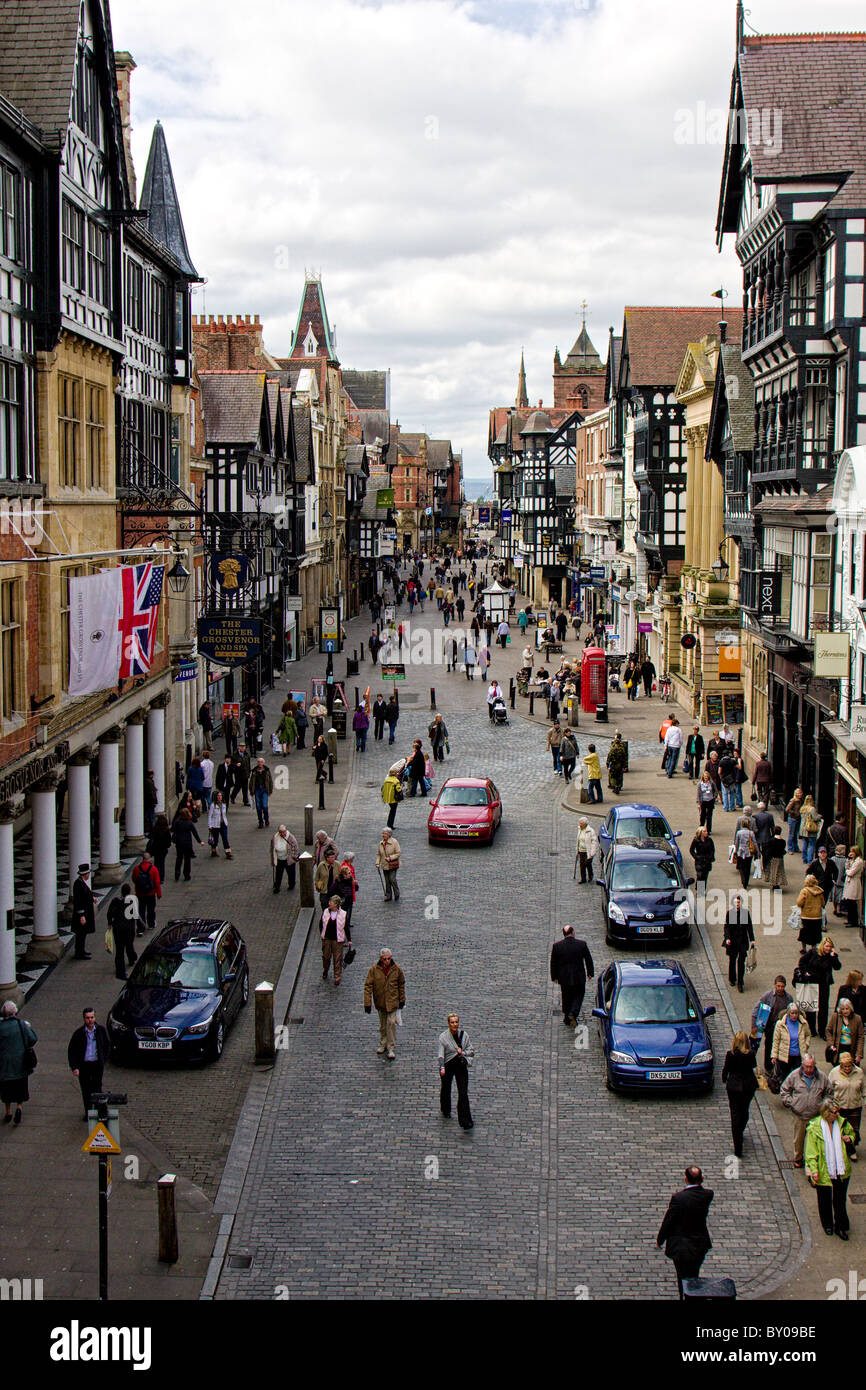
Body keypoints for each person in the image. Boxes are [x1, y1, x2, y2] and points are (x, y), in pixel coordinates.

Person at [656, 1166, 714, 1300]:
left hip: (681, 1246)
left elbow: (669, 1221)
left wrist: (660, 1240)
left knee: (682, 1276)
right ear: (702, 1179)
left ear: (686, 1179)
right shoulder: (708, 1195)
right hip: (700, 1244)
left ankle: (686, 1296)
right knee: (694, 1274)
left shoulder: (678, 1198)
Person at [805, 1099, 856, 1238]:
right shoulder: (814, 1127)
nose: (837, 1114)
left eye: (838, 1111)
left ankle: (840, 1226)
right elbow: (811, 1152)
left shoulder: (842, 1123)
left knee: (840, 1199)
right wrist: (814, 1171)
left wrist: (849, 1138)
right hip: (824, 1168)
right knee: (824, 1198)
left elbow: (852, 1134)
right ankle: (827, 1224)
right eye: (835, 1112)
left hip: (841, 1168)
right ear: (826, 1113)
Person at [781, 1054, 831, 1167]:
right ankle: (798, 1159)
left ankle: (812, 1162)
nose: (808, 1069)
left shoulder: (822, 1077)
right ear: (802, 1065)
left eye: (811, 1067)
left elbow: (829, 1093)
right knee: (798, 1140)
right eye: (806, 1067)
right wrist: (791, 1103)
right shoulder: (794, 1076)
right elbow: (784, 1090)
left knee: (814, 1141)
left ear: (815, 1066)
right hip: (800, 1115)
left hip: (816, 1116)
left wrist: (824, 1105)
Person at [67, 1007, 110, 1121]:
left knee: (97, 1088)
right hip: (84, 1065)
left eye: (92, 1017)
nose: (90, 1020)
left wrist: (103, 1059)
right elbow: (72, 1051)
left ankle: (99, 1111)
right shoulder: (79, 1033)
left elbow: (107, 1045)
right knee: (86, 1090)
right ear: (84, 1019)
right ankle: (88, 1112)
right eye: (87, 1018)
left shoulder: (100, 1030)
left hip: (96, 1064)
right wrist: (74, 1067)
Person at [364, 948, 406, 1060]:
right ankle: (383, 1043)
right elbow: (368, 986)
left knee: (391, 1023)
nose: (387, 961)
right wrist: (367, 1003)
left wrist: (402, 1000)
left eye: (388, 959)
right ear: (381, 959)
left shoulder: (397, 970)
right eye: (384, 959)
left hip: (393, 1001)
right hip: (381, 1002)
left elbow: (401, 984)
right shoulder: (374, 970)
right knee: (383, 1025)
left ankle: (391, 1047)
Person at [722, 1031, 759, 1158]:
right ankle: (740, 1131)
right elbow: (753, 1066)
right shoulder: (750, 1055)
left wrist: (724, 1079)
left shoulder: (730, 1055)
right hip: (748, 1087)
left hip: (734, 1087)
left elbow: (726, 1069)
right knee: (744, 1111)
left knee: (735, 1114)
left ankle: (737, 1143)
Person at [0, 1000, 37, 1125]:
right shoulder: (21, 1025)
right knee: (21, 1086)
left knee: (6, 1089)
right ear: (15, 1011)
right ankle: (19, 1107)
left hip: (5, 1065)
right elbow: (33, 1039)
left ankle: (8, 1111)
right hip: (21, 1063)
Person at [550, 924, 594, 1026]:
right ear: (573, 932)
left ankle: (566, 1017)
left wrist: (554, 976)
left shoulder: (557, 946)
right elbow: (588, 959)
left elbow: (553, 963)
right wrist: (590, 972)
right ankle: (573, 1012)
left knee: (566, 996)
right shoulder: (581, 944)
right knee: (579, 995)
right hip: (578, 976)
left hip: (564, 977)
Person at [800, 937, 843, 1039]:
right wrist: (805, 973)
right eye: (827, 946)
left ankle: (822, 1031)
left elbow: (837, 967)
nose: (828, 948)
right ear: (822, 945)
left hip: (824, 984)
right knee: (811, 1007)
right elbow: (802, 962)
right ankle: (812, 1029)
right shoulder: (813, 952)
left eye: (830, 946)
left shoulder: (831, 956)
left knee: (823, 1008)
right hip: (812, 983)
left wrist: (834, 957)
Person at [438, 1013, 474, 1129]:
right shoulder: (443, 1037)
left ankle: (465, 1120)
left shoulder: (464, 1036)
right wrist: (442, 1067)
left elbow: (471, 1051)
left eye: (456, 1022)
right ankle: (446, 1108)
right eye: (452, 1022)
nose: (455, 1024)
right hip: (448, 1065)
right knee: (446, 1087)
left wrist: (462, 1053)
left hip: (460, 1065)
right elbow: (441, 1054)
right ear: (448, 1024)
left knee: (463, 1092)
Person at [752, 976, 793, 1074]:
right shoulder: (768, 996)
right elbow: (756, 1009)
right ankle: (768, 1067)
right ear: (775, 985)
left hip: (782, 1026)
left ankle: (780, 1067)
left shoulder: (788, 998)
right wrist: (754, 1025)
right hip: (770, 1025)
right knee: (769, 1045)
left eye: (782, 986)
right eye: (778, 986)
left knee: (781, 1046)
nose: (780, 988)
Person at [828, 1053, 864, 1161]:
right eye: (844, 1066)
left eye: (849, 1066)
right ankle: (839, 1151)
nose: (847, 1069)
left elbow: (863, 1088)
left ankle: (851, 1150)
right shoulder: (834, 1073)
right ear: (840, 1065)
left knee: (853, 1131)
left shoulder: (859, 1072)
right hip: (840, 1107)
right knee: (839, 1130)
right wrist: (831, 1105)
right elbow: (829, 1091)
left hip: (855, 1106)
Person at [770, 1002, 811, 1085]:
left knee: (798, 1076)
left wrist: (806, 1045)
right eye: (792, 1013)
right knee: (785, 1076)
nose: (794, 1015)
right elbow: (776, 1040)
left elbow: (808, 1035)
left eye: (796, 1013)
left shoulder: (803, 1023)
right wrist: (774, 1056)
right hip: (784, 1056)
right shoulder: (780, 1024)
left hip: (798, 1055)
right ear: (788, 1013)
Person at [107, 883, 139, 980]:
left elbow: (109, 913)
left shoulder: (115, 901)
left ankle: (120, 971)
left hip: (118, 929)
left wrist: (110, 923)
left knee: (119, 950)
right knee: (129, 945)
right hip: (129, 928)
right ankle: (132, 958)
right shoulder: (132, 901)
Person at [723, 894, 754, 993]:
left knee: (741, 962)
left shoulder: (745, 913)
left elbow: (749, 927)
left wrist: (752, 939)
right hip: (732, 941)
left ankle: (740, 982)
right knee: (732, 960)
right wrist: (727, 938)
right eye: (736, 902)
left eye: (739, 902)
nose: (737, 904)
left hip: (742, 941)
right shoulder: (730, 913)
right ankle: (732, 978)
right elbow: (727, 927)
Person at [825, 999, 864, 1071]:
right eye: (843, 1009)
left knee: (851, 1070)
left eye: (847, 1008)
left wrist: (859, 1054)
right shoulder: (835, 1017)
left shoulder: (857, 1018)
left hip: (851, 1049)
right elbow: (828, 1030)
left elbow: (861, 1037)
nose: (845, 1011)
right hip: (839, 1048)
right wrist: (831, 1044)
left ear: (850, 1008)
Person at [321, 894, 350, 987]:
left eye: (331, 902)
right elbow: (320, 924)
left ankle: (337, 976)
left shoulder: (343, 914)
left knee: (337, 959)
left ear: (336, 904)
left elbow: (346, 927)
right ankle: (325, 969)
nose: (329, 903)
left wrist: (349, 939)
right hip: (327, 939)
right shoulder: (326, 911)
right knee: (326, 957)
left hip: (338, 940)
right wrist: (322, 934)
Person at [131, 850, 162, 933]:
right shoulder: (153, 869)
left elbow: (134, 879)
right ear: (149, 859)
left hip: (140, 893)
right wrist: (159, 893)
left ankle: (141, 928)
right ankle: (151, 924)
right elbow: (157, 882)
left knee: (141, 910)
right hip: (151, 893)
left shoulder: (136, 869)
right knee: (151, 909)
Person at [71, 862, 96, 960]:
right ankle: (79, 953)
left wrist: (92, 898)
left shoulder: (81, 883)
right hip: (82, 914)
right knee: (81, 934)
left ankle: (81, 951)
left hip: (85, 913)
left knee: (83, 933)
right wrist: (81, 915)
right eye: (88, 873)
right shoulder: (78, 884)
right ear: (85, 874)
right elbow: (78, 901)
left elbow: (85, 896)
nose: (89, 875)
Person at [171, 807, 202, 881]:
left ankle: (177, 873)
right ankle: (186, 874)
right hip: (187, 843)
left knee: (179, 858)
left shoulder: (177, 822)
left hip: (179, 843)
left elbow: (173, 830)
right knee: (187, 860)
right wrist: (200, 841)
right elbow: (195, 833)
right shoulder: (189, 823)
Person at [797, 874, 826, 949]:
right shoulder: (819, 891)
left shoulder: (804, 891)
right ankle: (813, 947)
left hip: (806, 915)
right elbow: (823, 904)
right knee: (815, 933)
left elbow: (799, 903)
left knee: (804, 933)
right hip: (817, 916)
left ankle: (804, 948)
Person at [271, 824, 299, 893]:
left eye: (284, 832)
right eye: (281, 832)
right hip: (279, 859)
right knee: (278, 874)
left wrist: (294, 856)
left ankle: (291, 885)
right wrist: (273, 859)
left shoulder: (291, 837)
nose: (283, 833)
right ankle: (277, 887)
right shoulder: (275, 837)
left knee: (291, 873)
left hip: (288, 859)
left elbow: (295, 847)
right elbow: (272, 848)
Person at [842, 847, 864, 931]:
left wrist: (847, 871)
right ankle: (850, 919)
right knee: (849, 902)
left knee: (852, 902)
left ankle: (853, 921)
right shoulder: (853, 860)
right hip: (850, 882)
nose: (851, 853)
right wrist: (848, 860)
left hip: (854, 882)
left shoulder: (859, 862)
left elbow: (850, 873)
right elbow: (847, 867)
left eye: (852, 852)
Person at [733, 818, 758, 890]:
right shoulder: (751, 833)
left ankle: (743, 879)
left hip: (740, 852)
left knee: (741, 866)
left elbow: (736, 843)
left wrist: (735, 851)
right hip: (749, 852)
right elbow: (755, 843)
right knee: (748, 866)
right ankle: (746, 881)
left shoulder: (739, 833)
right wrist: (757, 852)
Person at [147, 813, 172, 885]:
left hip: (156, 849)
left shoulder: (155, 829)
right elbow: (169, 842)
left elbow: (150, 837)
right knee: (162, 863)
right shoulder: (166, 830)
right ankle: (161, 878)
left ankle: (156, 876)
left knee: (156, 863)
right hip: (163, 850)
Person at [377, 828, 401, 901]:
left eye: (385, 834)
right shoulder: (381, 843)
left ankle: (396, 893)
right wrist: (377, 863)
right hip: (385, 865)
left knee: (392, 879)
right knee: (387, 881)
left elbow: (398, 853)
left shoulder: (394, 842)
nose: (383, 835)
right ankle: (388, 895)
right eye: (383, 833)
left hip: (393, 864)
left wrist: (390, 858)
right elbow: (379, 854)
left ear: (389, 835)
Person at [752, 802, 775, 873]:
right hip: (767, 837)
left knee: (756, 853)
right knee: (766, 854)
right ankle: (765, 867)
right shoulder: (770, 816)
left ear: (758, 808)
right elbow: (772, 827)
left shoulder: (755, 817)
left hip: (757, 837)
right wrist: (772, 836)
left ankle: (757, 867)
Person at [689, 827, 715, 891]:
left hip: (707, 860)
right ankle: (699, 890)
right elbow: (691, 850)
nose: (706, 832)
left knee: (705, 876)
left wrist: (711, 857)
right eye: (704, 831)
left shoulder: (709, 840)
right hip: (699, 861)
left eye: (706, 831)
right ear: (701, 833)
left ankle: (702, 890)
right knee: (700, 875)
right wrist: (696, 857)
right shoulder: (696, 840)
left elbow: (712, 849)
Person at [207, 791, 231, 858]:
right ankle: (214, 851)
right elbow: (210, 816)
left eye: (220, 796)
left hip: (223, 824)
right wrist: (210, 825)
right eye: (218, 796)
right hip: (215, 825)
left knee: (225, 838)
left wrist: (226, 822)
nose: (219, 797)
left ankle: (228, 852)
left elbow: (224, 814)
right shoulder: (212, 805)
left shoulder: (224, 804)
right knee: (216, 839)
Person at [381, 761, 404, 830]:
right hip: (393, 798)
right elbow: (399, 789)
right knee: (393, 811)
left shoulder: (386, 780)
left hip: (387, 798)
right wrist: (401, 786)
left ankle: (389, 823)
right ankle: (390, 824)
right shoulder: (396, 781)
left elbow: (382, 789)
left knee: (391, 810)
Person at [799, 795, 821, 865]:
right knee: (811, 845)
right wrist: (819, 816)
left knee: (805, 843)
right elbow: (815, 818)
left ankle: (804, 858)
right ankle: (810, 860)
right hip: (810, 828)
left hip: (803, 828)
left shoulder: (802, 808)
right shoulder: (812, 809)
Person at [765, 825, 788, 890]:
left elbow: (769, 850)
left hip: (773, 858)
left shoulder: (772, 840)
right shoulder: (783, 841)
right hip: (780, 858)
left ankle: (775, 885)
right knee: (779, 871)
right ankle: (777, 884)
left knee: (774, 871)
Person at [694, 769, 717, 834]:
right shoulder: (700, 784)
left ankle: (709, 829)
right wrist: (699, 803)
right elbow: (698, 794)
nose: (706, 778)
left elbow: (716, 790)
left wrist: (714, 797)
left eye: (707, 777)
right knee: (702, 815)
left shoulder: (711, 783)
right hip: (703, 801)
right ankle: (701, 827)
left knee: (709, 816)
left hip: (710, 800)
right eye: (705, 777)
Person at [576, 819, 598, 884]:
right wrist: (577, 849)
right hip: (581, 850)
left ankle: (590, 876)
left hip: (588, 851)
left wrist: (593, 852)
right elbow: (578, 840)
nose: (580, 825)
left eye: (581, 823)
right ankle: (583, 879)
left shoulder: (590, 831)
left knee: (587, 864)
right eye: (579, 823)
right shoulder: (579, 829)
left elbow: (594, 842)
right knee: (582, 865)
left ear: (585, 824)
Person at [719, 746, 739, 812]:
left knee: (725, 794)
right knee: (732, 793)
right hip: (732, 779)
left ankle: (726, 808)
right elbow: (739, 767)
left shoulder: (721, 762)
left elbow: (719, 772)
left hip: (724, 779)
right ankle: (732, 807)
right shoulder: (732, 761)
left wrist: (721, 778)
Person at [785, 788, 805, 854]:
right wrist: (794, 812)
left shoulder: (801, 801)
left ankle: (796, 848)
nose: (800, 794)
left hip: (798, 818)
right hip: (792, 819)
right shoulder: (793, 801)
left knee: (795, 834)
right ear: (795, 794)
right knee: (791, 834)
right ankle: (790, 849)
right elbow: (787, 809)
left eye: (800, 793)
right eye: (798, 793)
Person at [143, 769, 157, 834]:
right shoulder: (149, 782)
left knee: (148, 815)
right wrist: (154, 802)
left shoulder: (148, 781)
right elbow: (151, 793)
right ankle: (153, 829)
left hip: (148, 802)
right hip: (150, 802)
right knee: (151, 816)